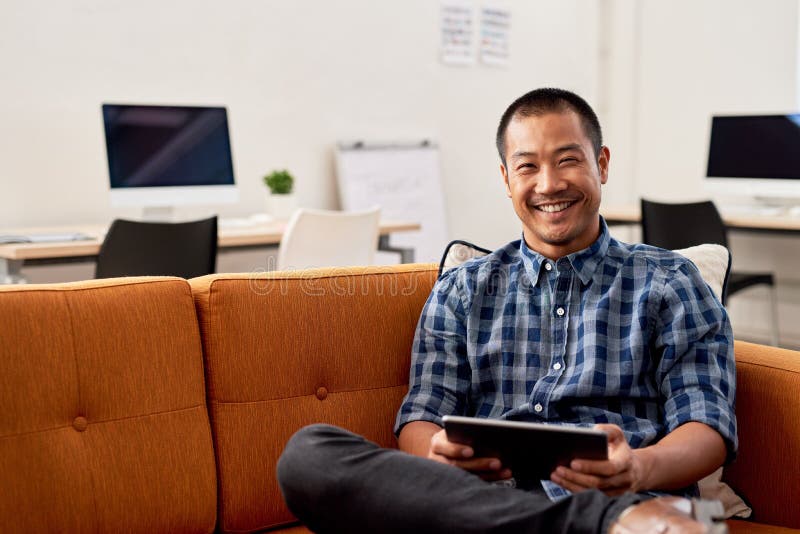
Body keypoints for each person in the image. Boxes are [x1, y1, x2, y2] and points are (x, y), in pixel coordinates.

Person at [277, 88, 736, 533]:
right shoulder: (462, 290)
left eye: (568, 160)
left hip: (627, 498)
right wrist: (439, 454)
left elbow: (706, 423)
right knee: (309, 454)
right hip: (486, 500)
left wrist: (638, 466)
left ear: (601, 164)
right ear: (506, 180)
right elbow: (423, 416)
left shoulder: (671, 282)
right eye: (527, 167)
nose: (549, 184)